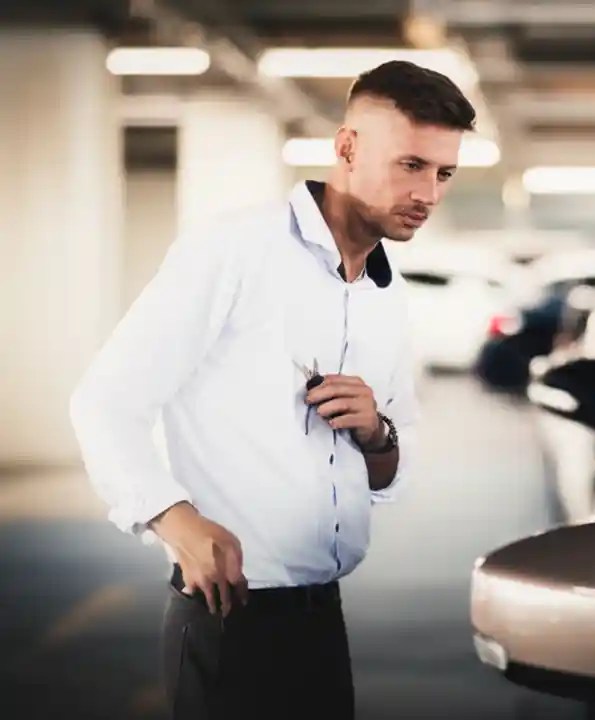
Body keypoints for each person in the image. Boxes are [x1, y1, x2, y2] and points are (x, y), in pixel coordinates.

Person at [69, 60, 476, 719]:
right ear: (346, 147)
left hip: (321, 618)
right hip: (230, 619)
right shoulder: (235, 250)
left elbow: (390, 468)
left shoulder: (385, 290)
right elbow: (105, 401)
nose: (428, 192)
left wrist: (377, 431)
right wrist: (174, 518)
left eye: (444, 173)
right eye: (411, 165)